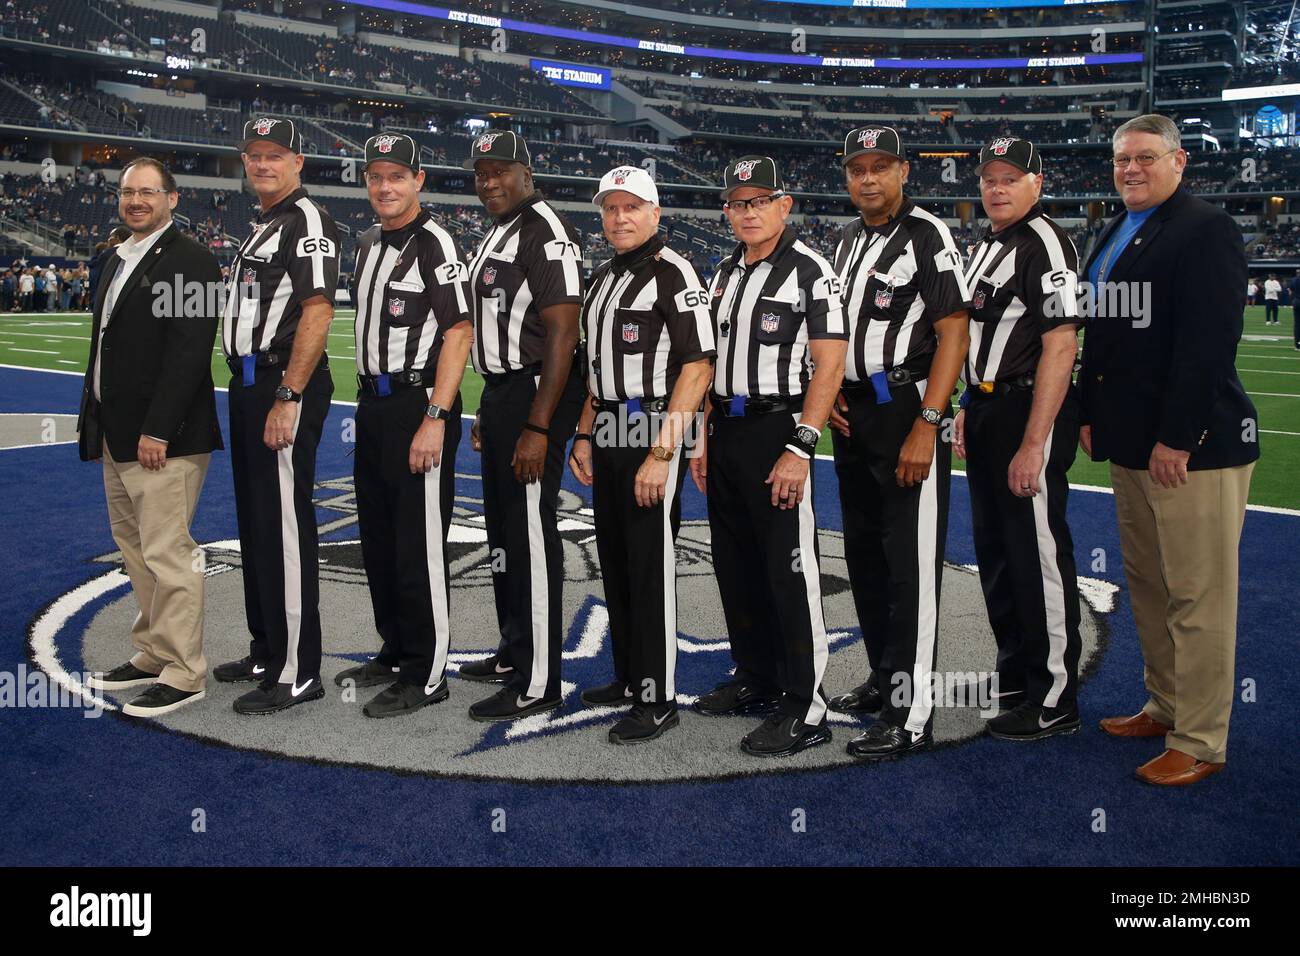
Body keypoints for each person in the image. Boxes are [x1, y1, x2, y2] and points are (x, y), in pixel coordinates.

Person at [1079, 114, 1258, 787]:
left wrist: (1179, 437)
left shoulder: (1205, 228)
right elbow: (1104, 340)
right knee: (1150, 588)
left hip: (1190, 449)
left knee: (1198, 597)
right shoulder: (1114, 229)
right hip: (1130, 443)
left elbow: (1208, 344)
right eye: (1123, 158)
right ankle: (1166, 704)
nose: (1131, 169)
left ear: (1179, 161)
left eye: (1146, 158)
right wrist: (1092, 414)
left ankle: (1202, 737)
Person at [691, 155, 847, 757]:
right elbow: (708, 366)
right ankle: (756, 677)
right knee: (737, 567)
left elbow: (829, 363)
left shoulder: (809, 269)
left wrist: (801, 446)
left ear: (785, 205)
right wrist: (702, 438)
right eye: (738, 202)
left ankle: (807, 705)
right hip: (726, 429)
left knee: (790, 570)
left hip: (777, 427)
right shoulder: (726, 271)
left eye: (760, 200)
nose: (748, 212)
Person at [825, 126, 971, 759]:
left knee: (909, 564)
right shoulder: (848, 240)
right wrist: (826, 386)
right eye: (858, 168)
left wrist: (928, 423)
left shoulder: (927, 234)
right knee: (866, 556)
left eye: (880, 167)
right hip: (854, 414)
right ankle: (886, 680)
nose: (868, 179)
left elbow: (954, 331)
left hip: (904, 407)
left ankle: (912, 714)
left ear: (904, 171)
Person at [568, 166, 715, 744]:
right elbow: (596, 371)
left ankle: (658, 698)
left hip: (652, 422)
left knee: (650, 564)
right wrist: (583, 432)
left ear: (656, 214)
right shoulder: (603, 275)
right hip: (608, 422)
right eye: (611, 208)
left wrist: (663, 451)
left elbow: (698, 366)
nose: (620, 218)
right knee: (619, 557)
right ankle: (631, 678)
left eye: (633, 207)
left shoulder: (674, 273)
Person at [332, 133, 474, 718]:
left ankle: (428, 669)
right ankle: (395, 649)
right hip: (373, 406)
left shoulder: (436, 242)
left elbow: (458, 332)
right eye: (375, 177)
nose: (384, 187)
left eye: (397, 176)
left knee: (417, 545)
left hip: (420, 404)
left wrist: (437, 416)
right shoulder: (367, 244)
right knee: (381, 540)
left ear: (419, 179)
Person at [78, 157, 223, 717]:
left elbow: (190, 354)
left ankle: (186, 672)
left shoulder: (194, 259)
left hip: (165, 436)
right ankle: (154, 649)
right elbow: (106, 348)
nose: (136, 201)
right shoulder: (115, 257)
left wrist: (158, 428)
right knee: (135, 550)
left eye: (148, 192)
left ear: (173, 199)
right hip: (116, 432)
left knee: (168, 551)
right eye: (128, 192)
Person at [953, 137, 1083, 740]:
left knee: (1038, 554)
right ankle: (1015, 674)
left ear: (1038, 181)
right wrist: (966, 403)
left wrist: (1035, 441)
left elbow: (1061, 343)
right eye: (988, 179)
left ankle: (1054, 694)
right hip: (986, 408)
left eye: (1010, 178)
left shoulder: (1048, 244)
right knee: (999, 552)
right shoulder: (990, 244)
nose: (997, 189)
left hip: (1025, 411)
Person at [211, 117, 339, 715]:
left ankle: (298, 670)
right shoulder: (263, 225)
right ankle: (266, 649)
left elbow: (317, 311)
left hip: (280, 384)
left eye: (274, 155)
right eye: (253, 155)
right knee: (258, 525)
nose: (261, 165)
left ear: (298, 162)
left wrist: (289, 394)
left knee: (285, 528)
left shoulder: (307, 220)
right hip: (246, 385)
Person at [458, 130, 586, 721]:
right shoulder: (501, 231)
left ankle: (540, 680)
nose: (488, 181)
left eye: (500, 170)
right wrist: (490, 403)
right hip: (508, 393)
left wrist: (537, 426)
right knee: (505, 533)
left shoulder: (545, 233)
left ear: (527, 172)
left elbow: (562, 335)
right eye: (481, 172)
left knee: (531, 537)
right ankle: (515, 650)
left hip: (538, 394)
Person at [1290, 269, 1300, 350]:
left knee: (1297, 324)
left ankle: (1297, 345)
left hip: (1296, 301)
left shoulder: (1294, 280)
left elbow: (1291, 290)